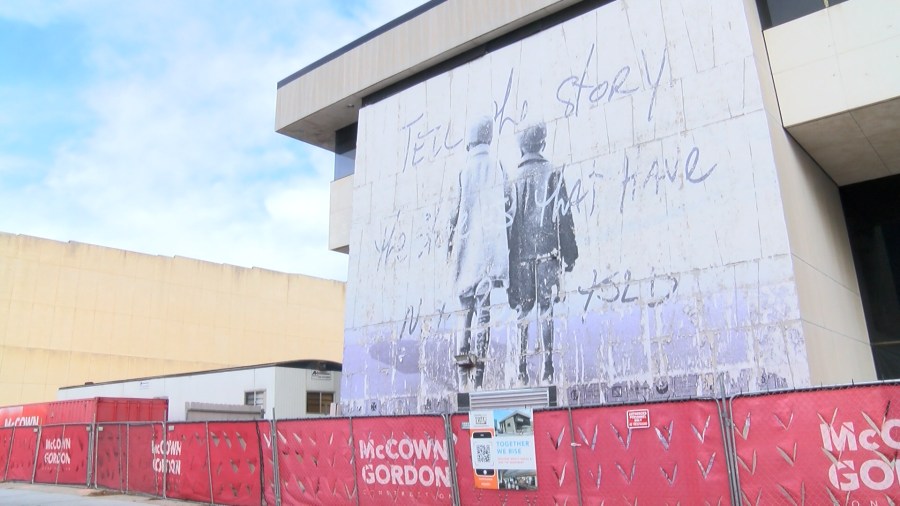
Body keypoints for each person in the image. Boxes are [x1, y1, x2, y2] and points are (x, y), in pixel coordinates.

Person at [505, 122, 578, 384]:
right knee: (546, 310)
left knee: (523, 313)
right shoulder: (553, 173)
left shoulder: (513, 179)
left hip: (521, 259)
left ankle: (522, 369)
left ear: (521, 146)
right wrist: (570, 255)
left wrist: (508, 266)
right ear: (542, 144)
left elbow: (508, 225)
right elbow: (564, 215)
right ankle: (548, 368)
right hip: (548, 254)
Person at [447, 116, 509, 389]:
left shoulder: (464, 171)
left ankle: (463, 378)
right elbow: (507, 203)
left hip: (467, 255)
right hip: (489, 256)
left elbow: (453, 213)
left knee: (465, 317)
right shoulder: (498, 167)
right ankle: (480, 377)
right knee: (484, 317)